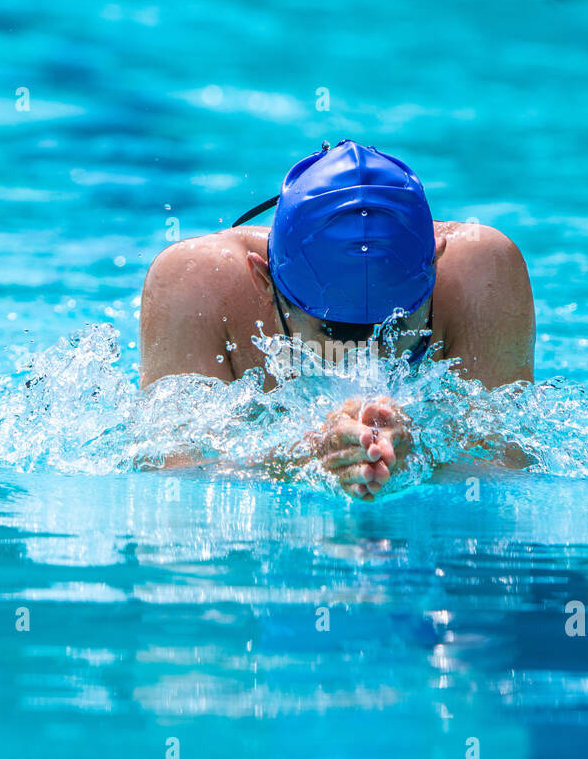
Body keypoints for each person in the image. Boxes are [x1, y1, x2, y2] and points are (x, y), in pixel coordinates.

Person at [140, 140, 535, 498]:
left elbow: (507, 475)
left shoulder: (483, 274)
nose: (367, 359)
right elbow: (174, 484)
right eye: (332, 331)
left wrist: (423, 451)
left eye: (393, 327)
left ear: (437, 265)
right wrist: (300, 459)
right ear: (264, 281)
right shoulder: (197, 285)